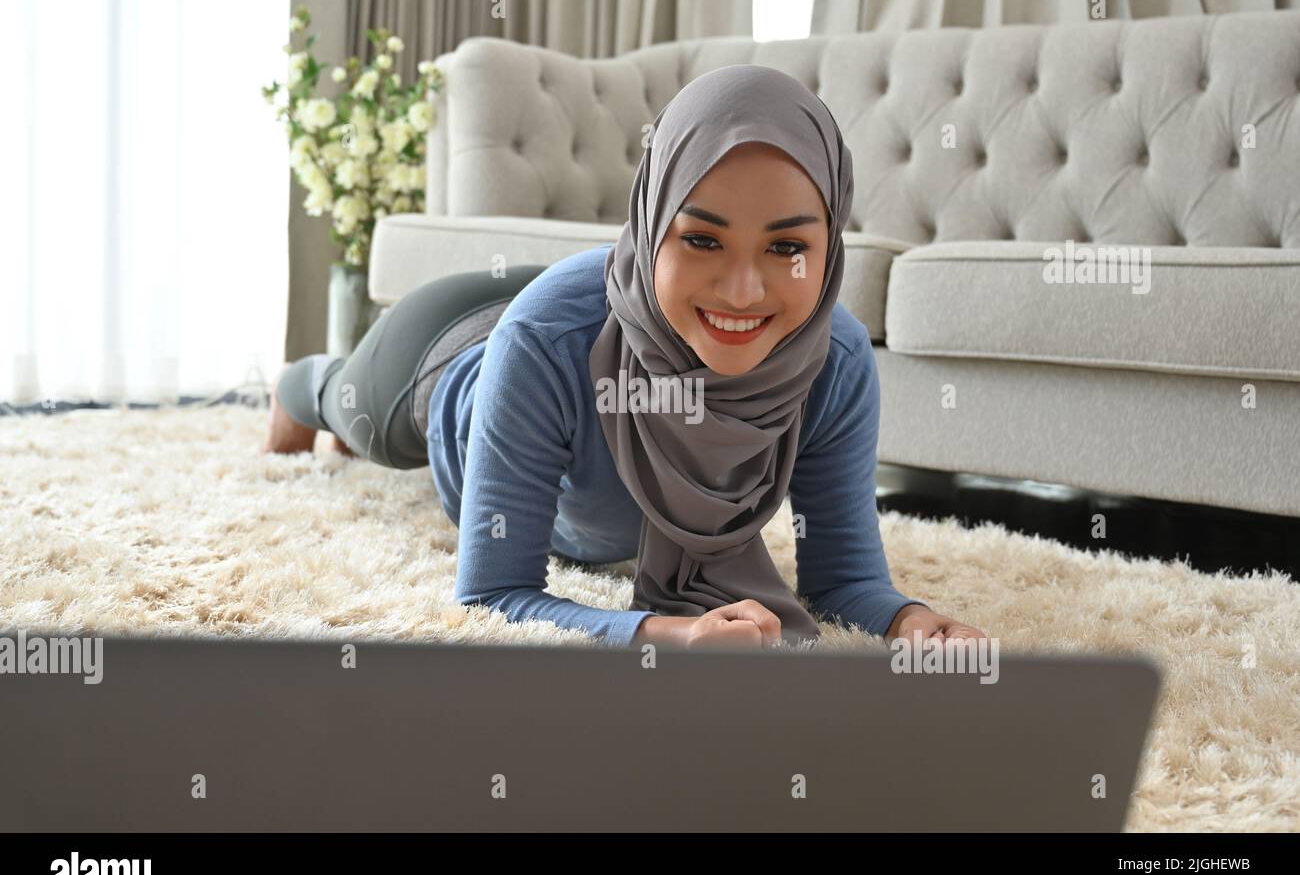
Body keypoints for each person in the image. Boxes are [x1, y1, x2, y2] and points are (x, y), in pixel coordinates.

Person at [264, 63, 988, 650]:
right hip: (447, 362)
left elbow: (841, 581)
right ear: (651, 227)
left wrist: (910, 621)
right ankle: (296, 386)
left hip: (606, 304)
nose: (743, 290)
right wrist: (667, 634)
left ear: (829, 253)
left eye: (788, 247)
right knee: (343, 406)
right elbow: (492, 597)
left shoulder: (835, 359)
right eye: (702, 238)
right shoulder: (541, 346)